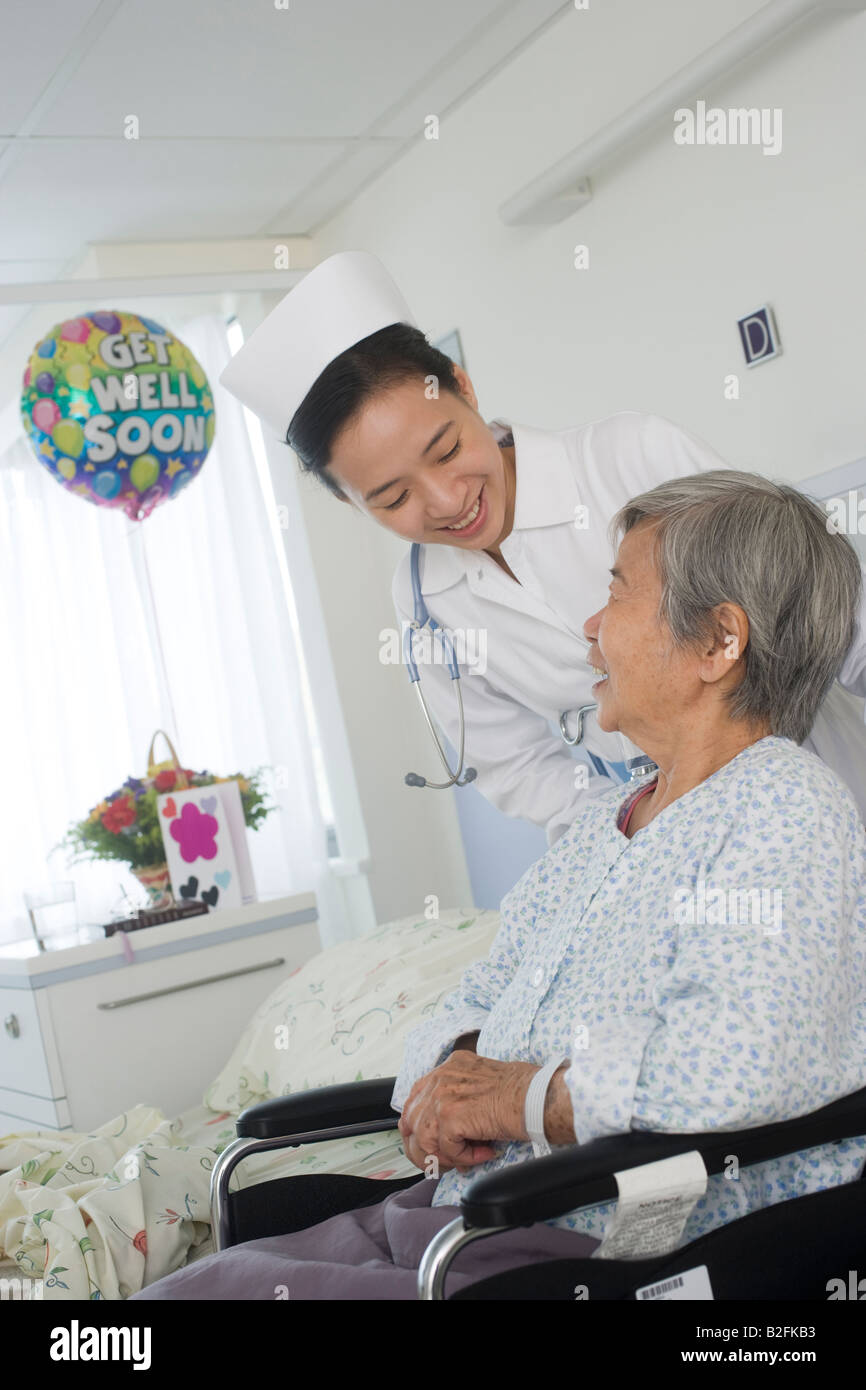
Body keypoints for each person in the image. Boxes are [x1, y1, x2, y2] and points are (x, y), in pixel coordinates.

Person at [132, 469, 866, 1301]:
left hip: (584, 1242)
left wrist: (517, 1098)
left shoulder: (783, 809)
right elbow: (477, 991)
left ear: (717, 642)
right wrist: (447, 1079)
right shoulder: (605, 823)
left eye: (617, 594)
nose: (590, 628)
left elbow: (731, 1068)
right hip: (446, 1214)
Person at [221, 251, 866, 841]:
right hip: (657, 841)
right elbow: (519, 767)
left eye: (446, 450)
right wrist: (637, 826)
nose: (447, 501)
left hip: (814, 772)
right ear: (348, 501)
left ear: (464, 387)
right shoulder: (425, 606)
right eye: (392, 498)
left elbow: (807, 605)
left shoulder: (630, 456)